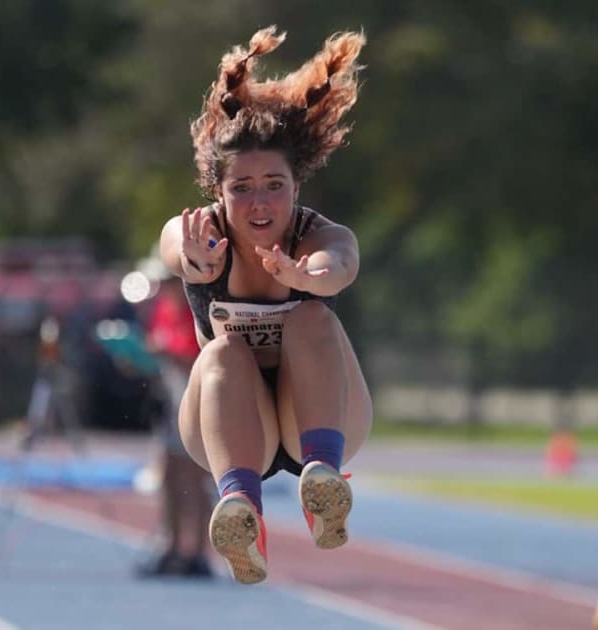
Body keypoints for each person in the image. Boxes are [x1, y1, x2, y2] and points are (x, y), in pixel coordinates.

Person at [157, 26, 372, 585]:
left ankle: (324, 483)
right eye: (242, 187)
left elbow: (340, 265)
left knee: (311, 315)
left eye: (274, 185)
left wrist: (309, 276)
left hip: (314, 415)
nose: (259, 203)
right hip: (230, 423)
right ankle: (240, 510)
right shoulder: (195, 232)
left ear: (296, 187)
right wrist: (193, 262)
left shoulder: (322, 235)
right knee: (223, 352)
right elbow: (173, 248)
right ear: (217, 192)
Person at [135, 268, 216, 579]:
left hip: (196, 402)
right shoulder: (163, 310)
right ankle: (170, 546)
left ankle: (196, 551)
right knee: (169, 477)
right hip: (170, 402)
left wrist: (165, 353)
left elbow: (203, 360)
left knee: (195, 481)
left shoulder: (195, 311)